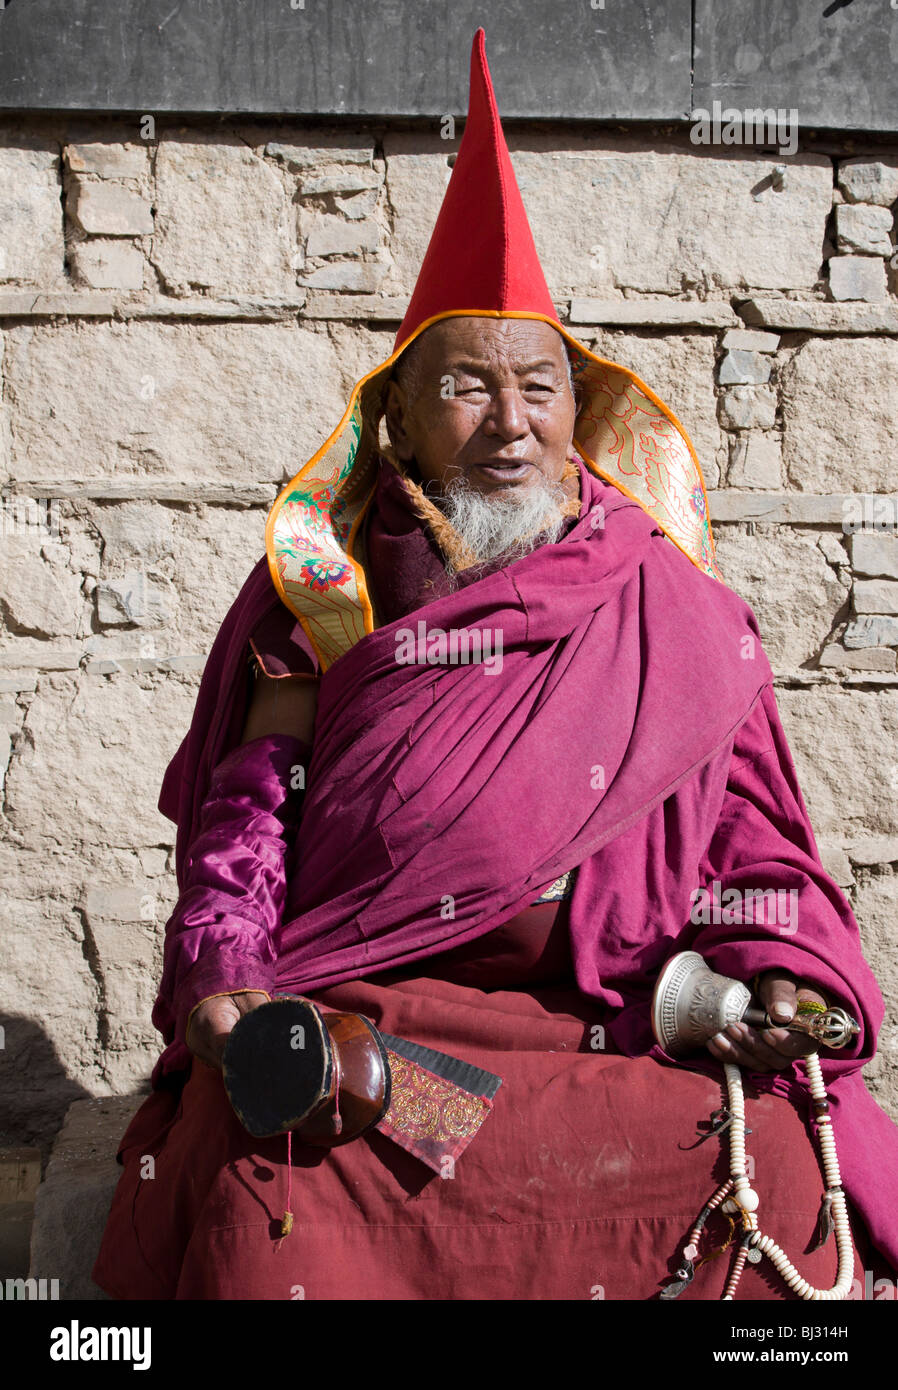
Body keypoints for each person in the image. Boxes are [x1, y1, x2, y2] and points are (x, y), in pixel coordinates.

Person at [93, 30, 898, 1300]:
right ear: (400, 412)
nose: (511, 423)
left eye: (540, 386)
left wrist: (770, 971)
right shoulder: (331, 586)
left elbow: (752, 844)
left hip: (609, 1023)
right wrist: (225, 974)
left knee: (774, 1177)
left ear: (581, 408)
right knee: (279, 1182)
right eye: (466, 385)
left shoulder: (663, 602)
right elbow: (245, 826)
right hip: (383, 1019)